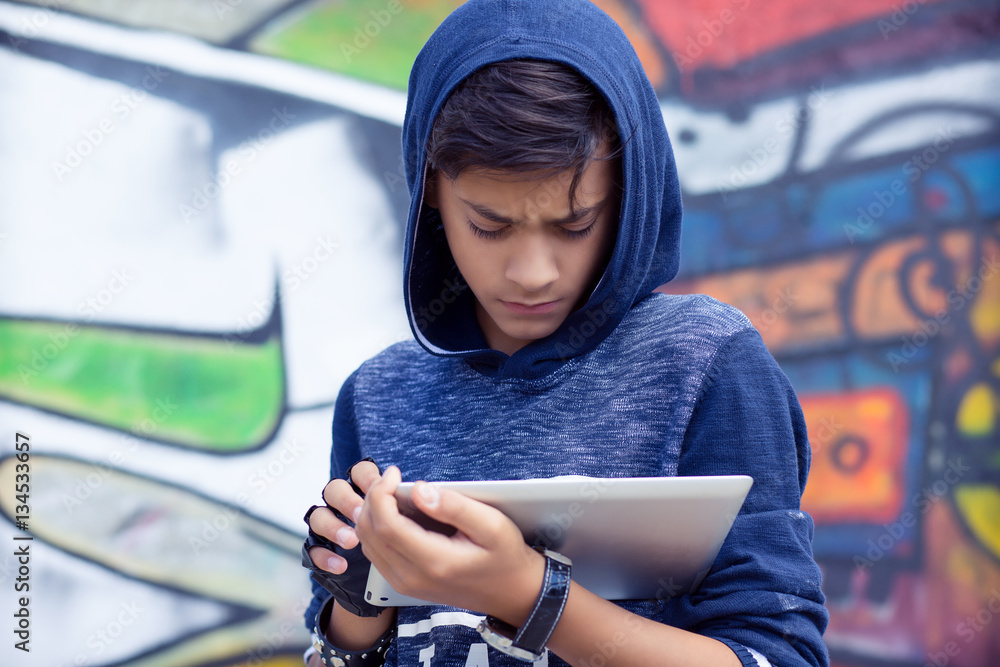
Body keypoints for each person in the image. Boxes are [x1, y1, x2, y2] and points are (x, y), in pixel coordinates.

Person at [300, 1, 829, 665]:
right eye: (489, 226)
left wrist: (528, 594)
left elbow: (779, 656)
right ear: (431, 189)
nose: (532, 273)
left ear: (627, 191)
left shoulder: (705, 366)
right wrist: (355, 605)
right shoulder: (377, 395)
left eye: (574, 224)